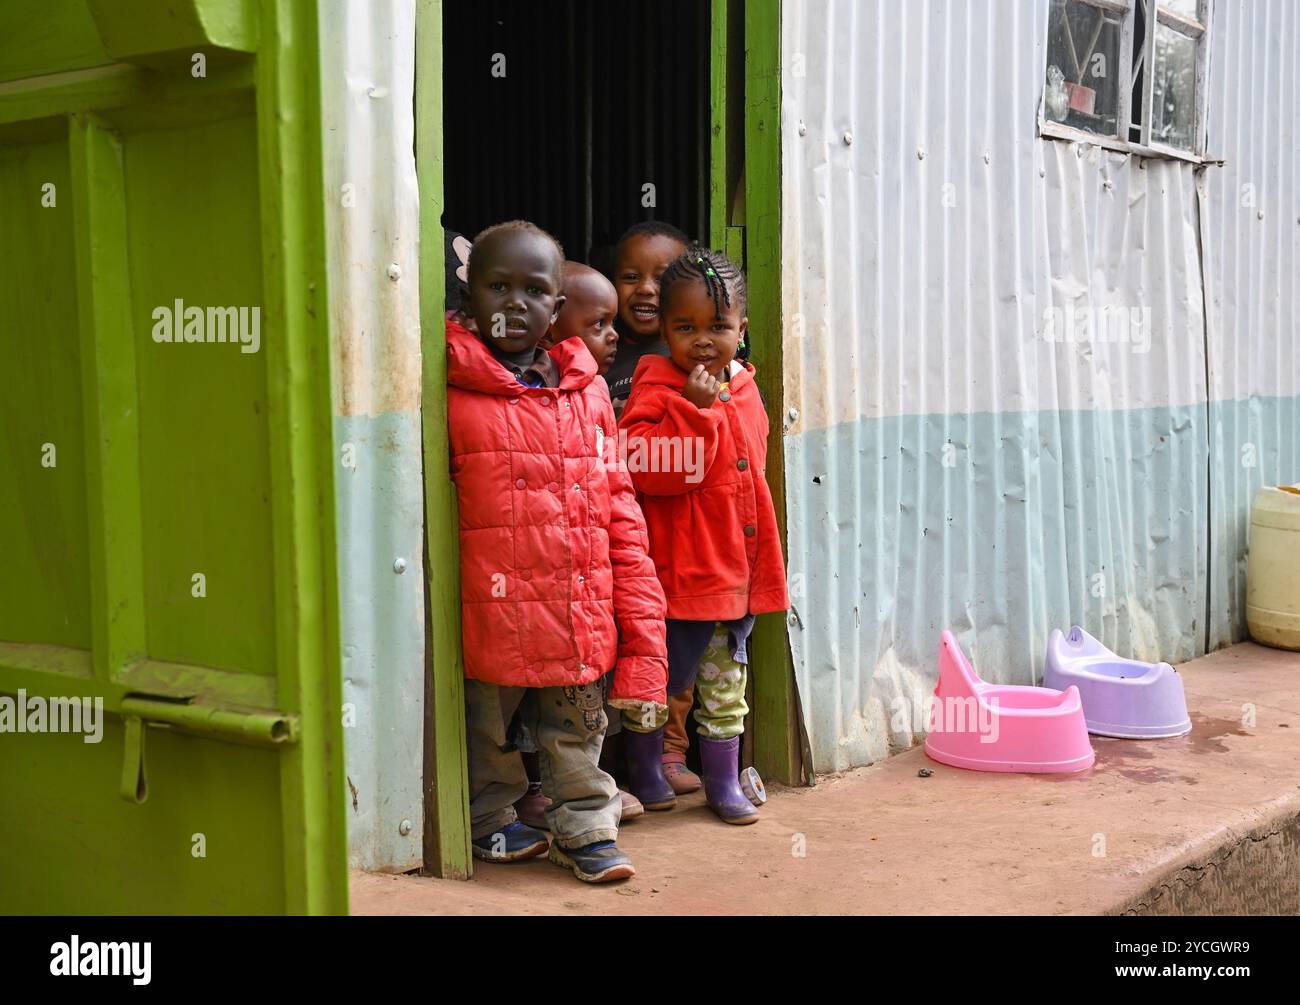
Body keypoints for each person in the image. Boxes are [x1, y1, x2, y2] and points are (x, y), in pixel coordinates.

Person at [445, 220, 668, 880]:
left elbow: (619, 505)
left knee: (578, 730)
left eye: (534, 289)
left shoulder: (588, 391)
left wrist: (640, 616)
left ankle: (586, 827)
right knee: (489, 728)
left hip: (576, 608)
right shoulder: (448, 388)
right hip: (492, 608)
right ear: (469, 296)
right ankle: (491, 817)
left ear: (556, 307)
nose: (515, 303)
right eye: (497, 286)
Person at [618, 247, 789, 824]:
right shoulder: (655, 384)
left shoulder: (744, 387)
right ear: (664, 329)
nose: (703, 341)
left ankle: (721, 781)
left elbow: (751, 471)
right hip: (675, 572)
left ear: (742, 327)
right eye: (685, 327)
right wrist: (692, 410)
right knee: (656, 682)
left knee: (724, 687)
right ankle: (644, 772)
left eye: (718, 326)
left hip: (734, 571)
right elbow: (650, 471)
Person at [602, 220, 689, 419]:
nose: (646, 289)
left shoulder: (697, 356)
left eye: (662, 279)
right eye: (631, 277)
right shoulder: (600, 358)